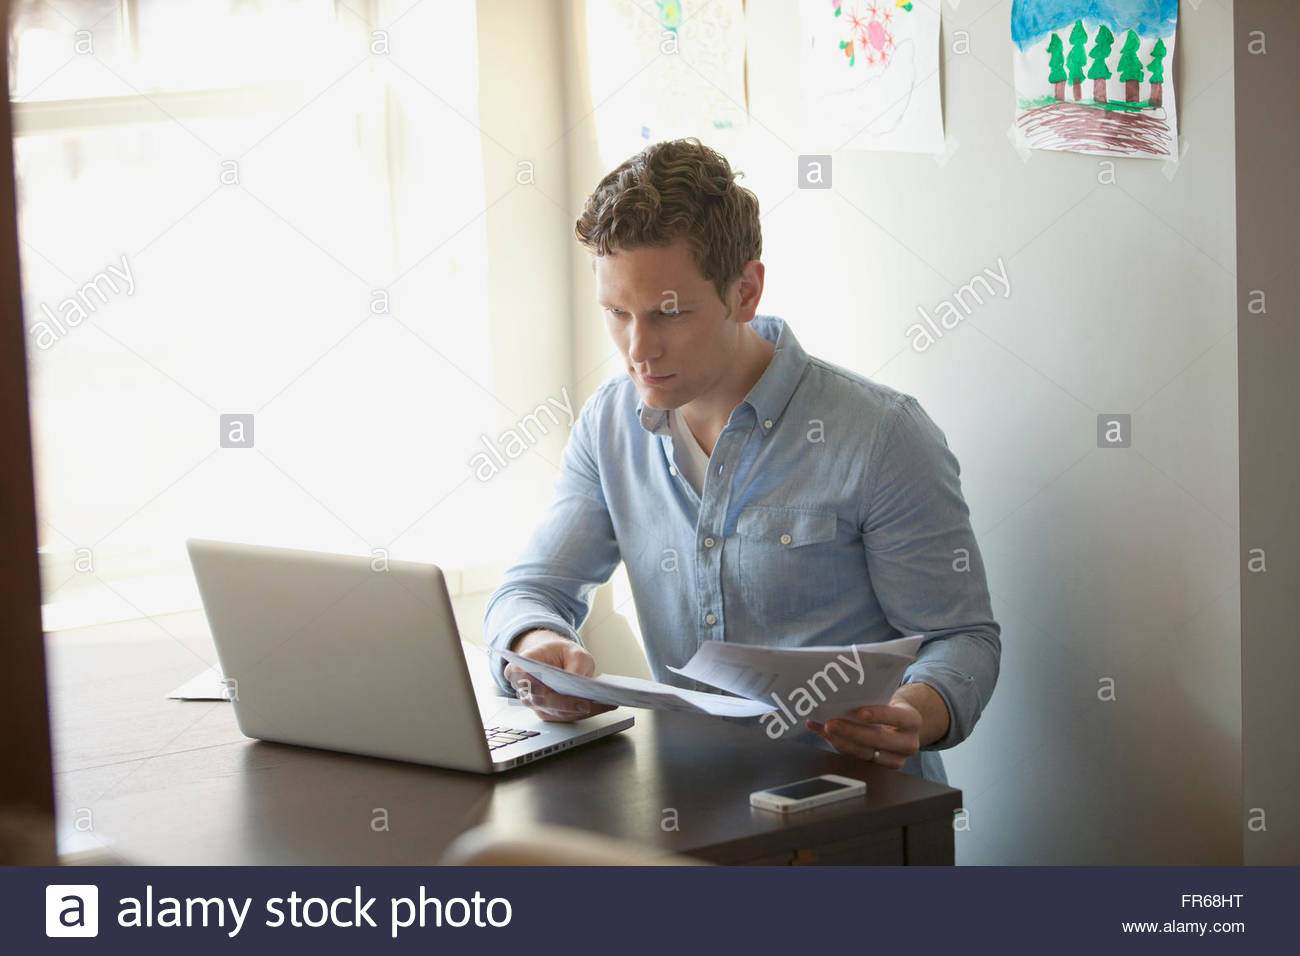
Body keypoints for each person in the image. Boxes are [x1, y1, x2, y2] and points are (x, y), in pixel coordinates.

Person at [483, 138, 1000, 785]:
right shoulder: (609, 425)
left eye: (668, 313)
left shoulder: (883, 435)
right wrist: (537, 651)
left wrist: (917, 711)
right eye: (618, 314)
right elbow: (528, 592)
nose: (638, 349)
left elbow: (964, 638)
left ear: (745, 291)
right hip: (691, 813)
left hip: (864, 816)